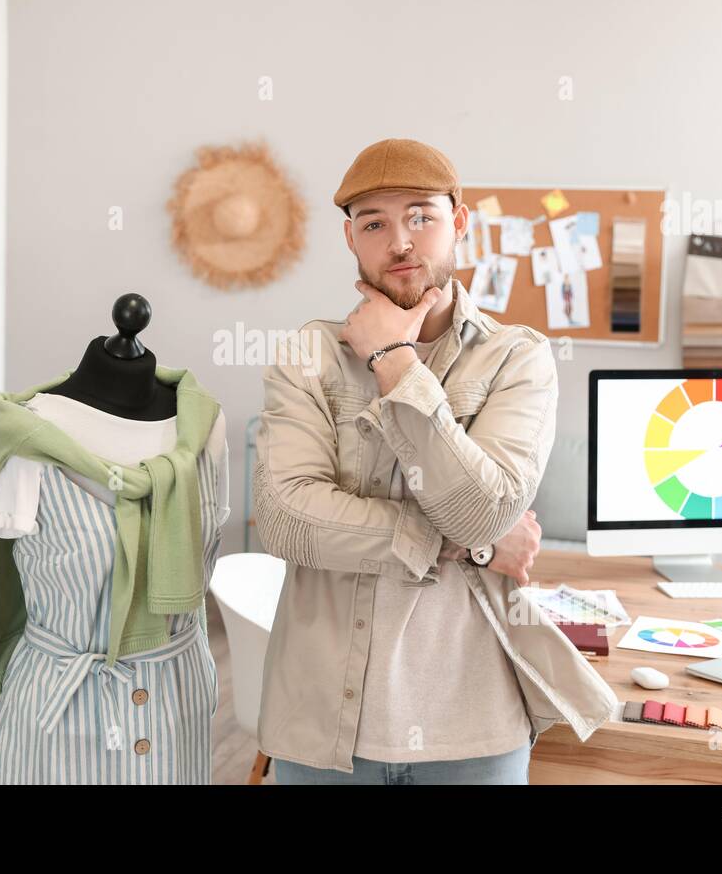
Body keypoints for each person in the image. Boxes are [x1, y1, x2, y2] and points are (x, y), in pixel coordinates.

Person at [253, 138, 617, 785]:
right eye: (375, 223)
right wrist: (466, 546)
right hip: (323, 730)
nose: (401, 241)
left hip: (471, 727)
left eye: (421, 215)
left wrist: (393, 360)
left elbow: (486, 509)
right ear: (350, 240)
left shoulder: (517, 358)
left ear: (460, 221)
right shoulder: (307, 354)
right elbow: (285, 519)